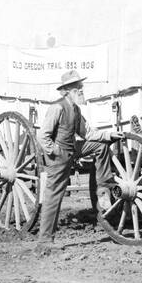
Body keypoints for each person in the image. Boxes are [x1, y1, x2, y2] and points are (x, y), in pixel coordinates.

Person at [36, 69, 120, 249]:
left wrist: (109, 135)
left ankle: (103, 189)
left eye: (81, 86)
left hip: (72, 150)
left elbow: (88, 133)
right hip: (58, 157)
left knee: (101, 146)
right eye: (76, 87)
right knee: (54, 196)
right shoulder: (57, 108)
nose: (81, 90)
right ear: (66, 91)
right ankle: (44, 240)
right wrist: (56, 151)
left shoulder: (76, 109)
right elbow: (42, 136)